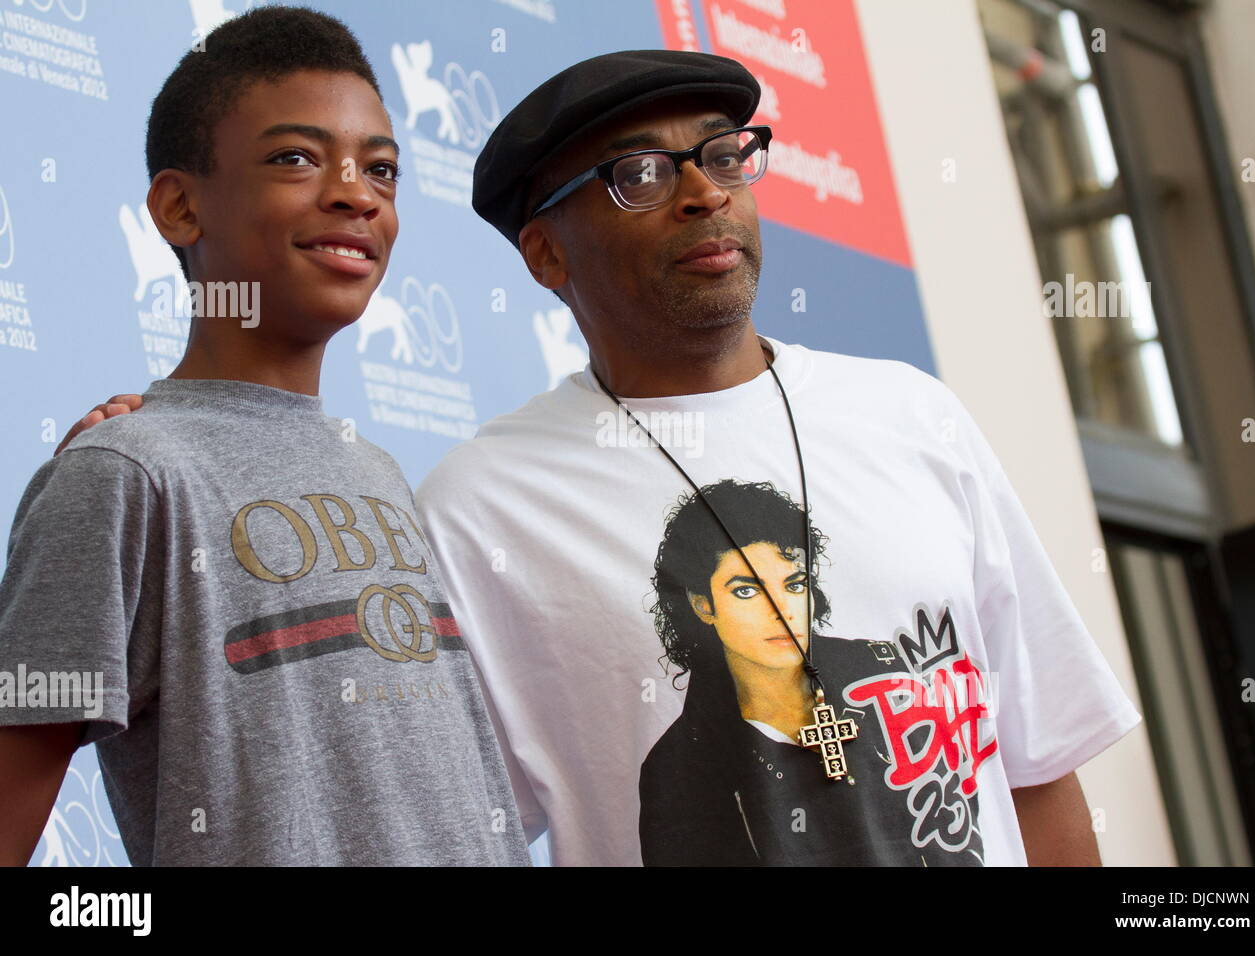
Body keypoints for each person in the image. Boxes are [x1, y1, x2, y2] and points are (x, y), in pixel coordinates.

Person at [56, 49, 1142, 867]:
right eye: (636, 173)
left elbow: (1038, 766)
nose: (704, 190)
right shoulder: (470, 510)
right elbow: (401, 794)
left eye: (724, 153)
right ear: (543, 254)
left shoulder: (917, 416)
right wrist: (171, 435)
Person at [0, 7, 529, 866]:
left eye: (382, 169)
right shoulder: (123, 472)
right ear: (178, 207)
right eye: (295, 158)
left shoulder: (378, 468)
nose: (356, 192)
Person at [639, 478, 984, 865]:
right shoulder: (679, 767)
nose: (781, 610)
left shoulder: (883, 672)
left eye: (795, 584)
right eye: (746, 590)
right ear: (703, 605)